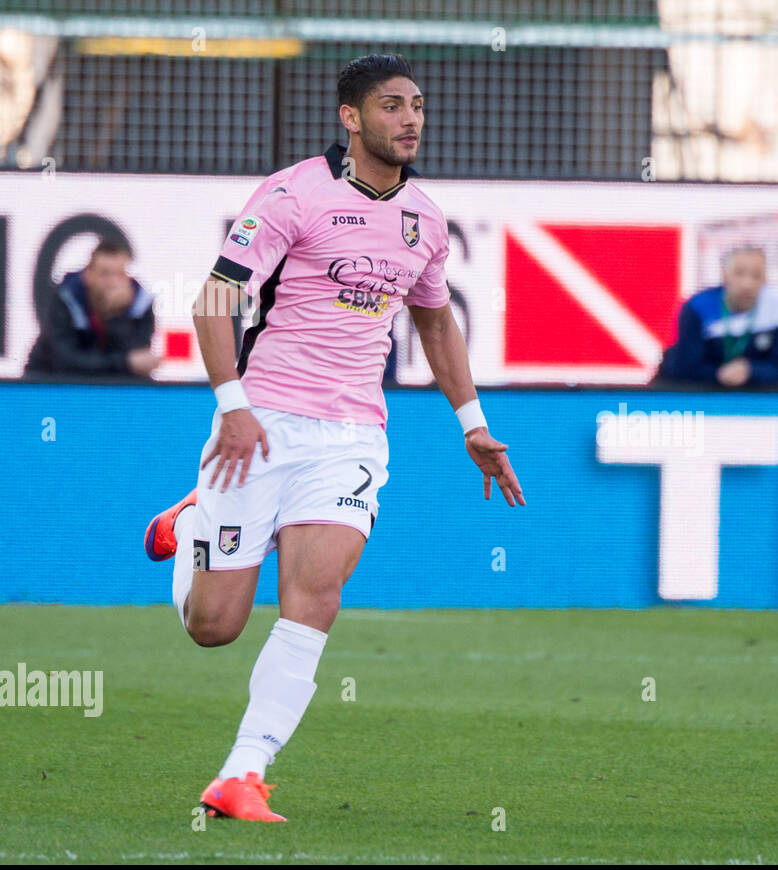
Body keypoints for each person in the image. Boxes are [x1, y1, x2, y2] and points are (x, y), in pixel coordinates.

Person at [141, 53, 525, 822]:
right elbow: (215, 302)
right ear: (351, 118)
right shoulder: (293, 194)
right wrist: (233, 403)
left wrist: (472, 422)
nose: (410, 119)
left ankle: (242, 772)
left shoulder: (426, 219)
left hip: (352, 435)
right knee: (215, 626)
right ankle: (188, 525)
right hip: (261, 424)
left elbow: (434, 318)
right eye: (391, 106)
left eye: (417, 104)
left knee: (316, 594)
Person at [24, 237, 161, 377]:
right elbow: (65, 361)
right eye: (105, 274)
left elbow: (137, 363)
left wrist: (117, 315)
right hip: (50, 385)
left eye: (120, 275)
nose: (112, 282)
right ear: (88, 275)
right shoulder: (66, 299)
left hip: (112, 389)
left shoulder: (141, 304)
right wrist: (124, 363)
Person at [656, 246, 778, 388]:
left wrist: (751, 371)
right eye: (739, 273)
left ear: (764, 279)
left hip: (754, 398)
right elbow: (683, 367)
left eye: (756, 275)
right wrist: (719, 374)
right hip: (693, 394)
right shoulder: (697, 307)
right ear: (725, 275)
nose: (747, 284)